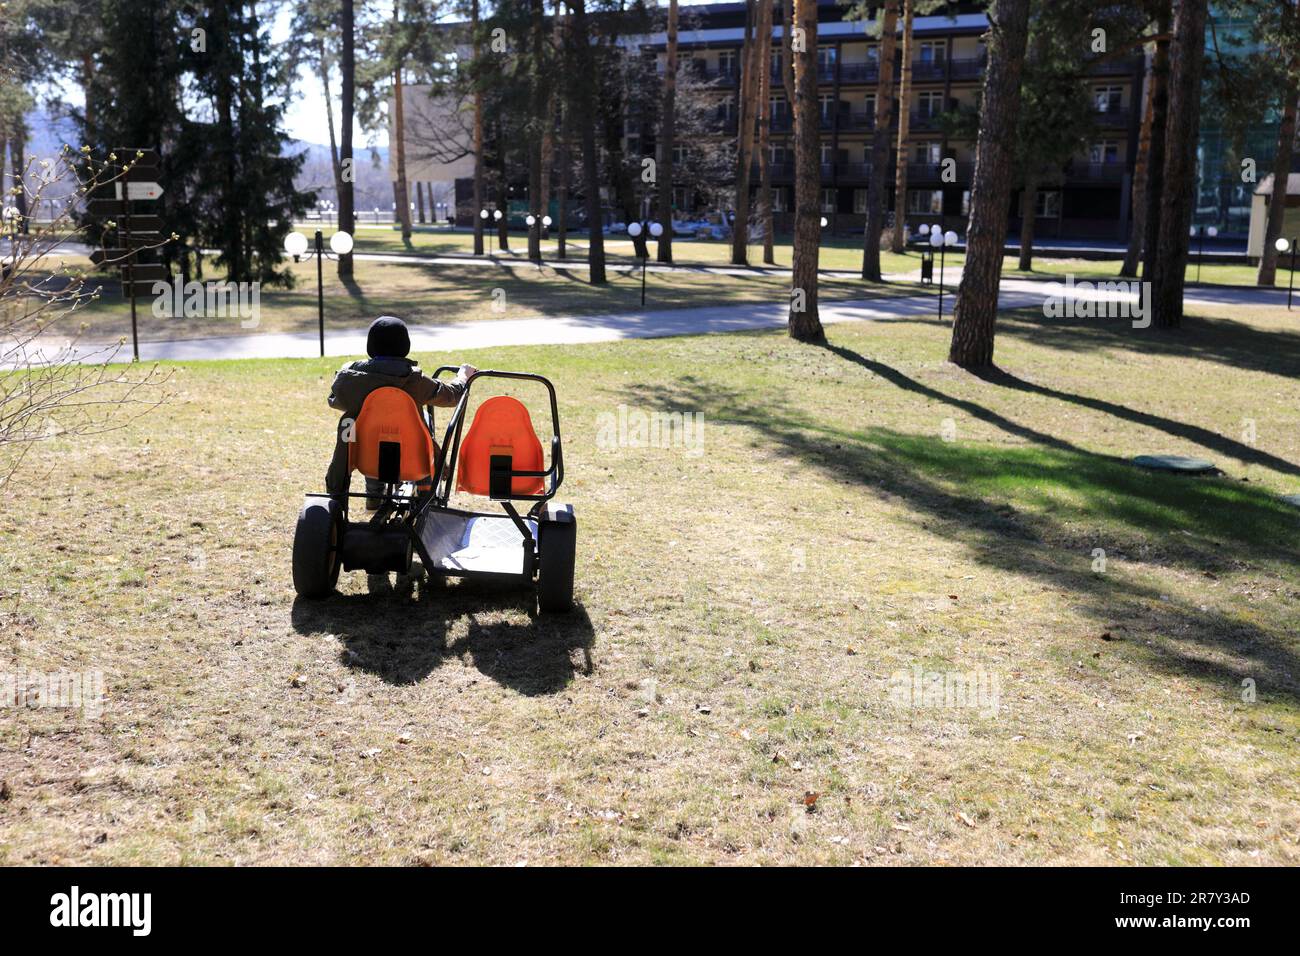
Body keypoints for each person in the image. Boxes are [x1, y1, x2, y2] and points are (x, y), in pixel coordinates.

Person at [325, 315, 475, 508]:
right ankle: (425, 492)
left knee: (353, 423)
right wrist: (462, 377)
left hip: (363, 457)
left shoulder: (351, 378)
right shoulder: (414, 380)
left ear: (371, 347)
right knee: (425, 420)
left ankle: (370, 493)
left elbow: (334, 400)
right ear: (405, 346)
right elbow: (451, 396)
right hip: (412, 459)